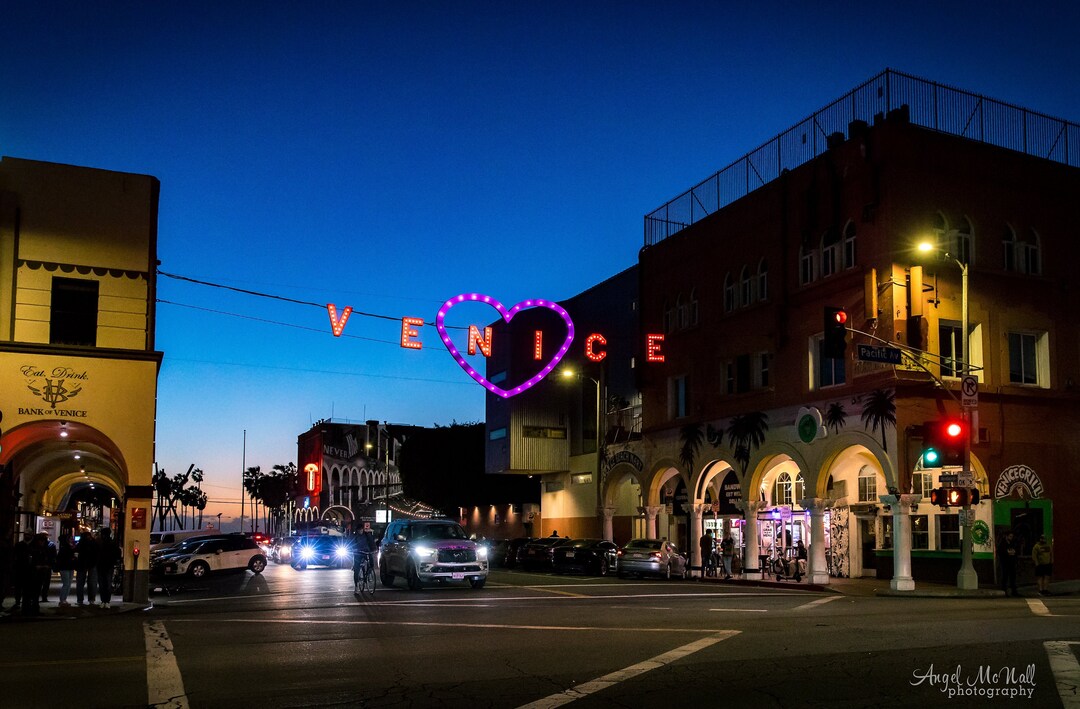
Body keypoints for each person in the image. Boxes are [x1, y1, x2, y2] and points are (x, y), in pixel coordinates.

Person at [23, 533, 53, 616]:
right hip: (32, 573)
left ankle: (33, 609)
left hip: (39, 573)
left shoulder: (40, 549)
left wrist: (45, 565)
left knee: (35, 592)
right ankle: (29, 609)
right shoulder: (33, 549)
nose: (42, 543)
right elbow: (28, 562)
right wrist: (36, 566)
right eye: (41, 541)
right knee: (31, 592)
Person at [97, 528, 121, 609]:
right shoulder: (112, 543)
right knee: (107, 584)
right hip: (108, 566)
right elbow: (118, 553)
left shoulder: (100, 543)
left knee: (102, 584)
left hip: (101, 566)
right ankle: (106, 601)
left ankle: (104, 601)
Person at [76, 529, 99, 606]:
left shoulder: (81, 543)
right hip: (92, 564)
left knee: (80, 583)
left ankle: (80, 600)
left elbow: (76, 550)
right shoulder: (94, 543)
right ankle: (91, 600)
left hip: (82, 564)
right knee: (92, 582)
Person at [55, 533, 78, 607]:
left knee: (68, 584)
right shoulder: (65, 547)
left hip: (69, 567)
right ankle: (62, 600)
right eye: (70, 538)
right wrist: (72, 558)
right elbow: (63, 558)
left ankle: (64, 599)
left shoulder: (69, 547)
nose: (72, 540)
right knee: (66, 584)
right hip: (65, 567)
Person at [1000, 531, 1020, 597]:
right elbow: (1001, 553)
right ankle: (1004, 591)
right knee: (1005, 577)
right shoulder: (1003, 544)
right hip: (1005, 563)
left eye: (1012, 536)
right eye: (1010, 536)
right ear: (1006, 536)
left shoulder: (1013, 543)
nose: (1011, 538)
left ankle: (1014, 591)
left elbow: (1016, 552)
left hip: (1012, 563)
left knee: (1013, 577)